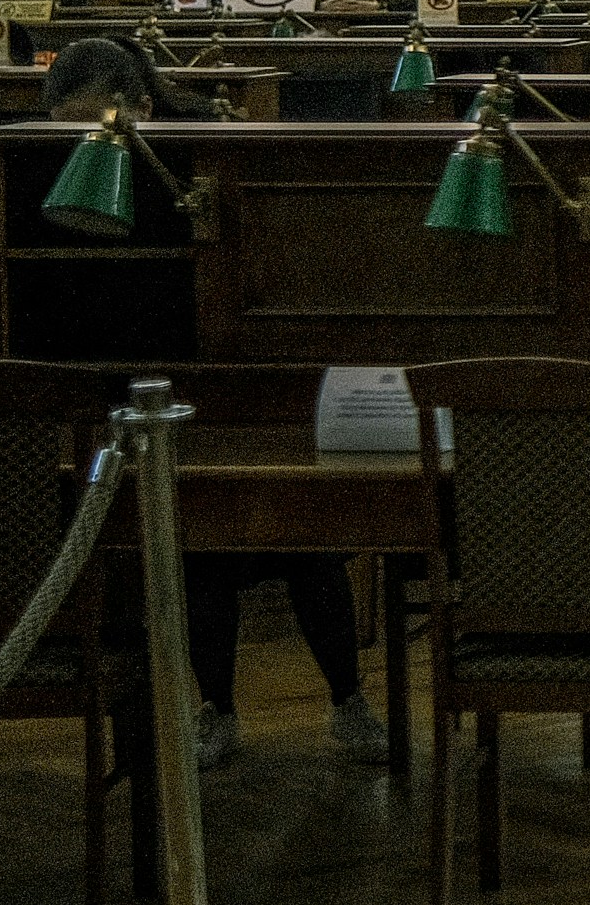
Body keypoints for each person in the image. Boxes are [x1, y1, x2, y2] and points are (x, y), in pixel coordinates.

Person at [41, 44, 384, 766]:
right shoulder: (86, 164)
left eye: (95, 126)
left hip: (258, 383)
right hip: (162, 389)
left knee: (308, 546)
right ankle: (217, 710)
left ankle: (349, 701)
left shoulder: (207, 150)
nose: (84, 147)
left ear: (141, 109)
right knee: (200, 559)